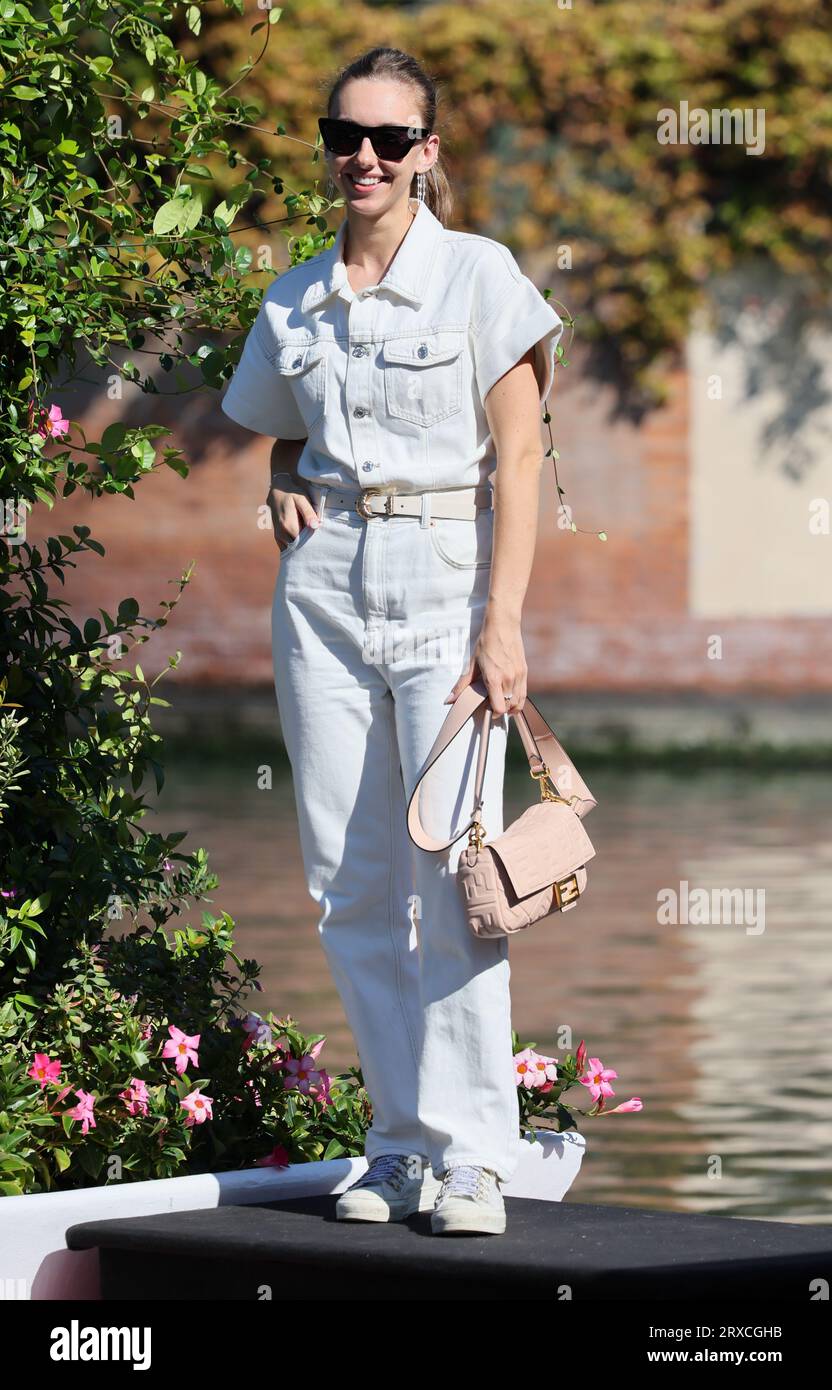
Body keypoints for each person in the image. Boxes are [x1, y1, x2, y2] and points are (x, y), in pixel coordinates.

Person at [220, 45, 564, 1237]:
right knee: (346, 880)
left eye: (384, 139)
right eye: (340, 136)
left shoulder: (481, 276)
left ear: (425, 155)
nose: (359, 157)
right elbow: (275, 427)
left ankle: (475, 1156)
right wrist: (278, 480)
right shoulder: (295, 294)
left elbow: (518, 456)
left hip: (448, 582)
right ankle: (400, 1144)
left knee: (459, 875)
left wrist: (503, 622)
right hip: (321, 589)